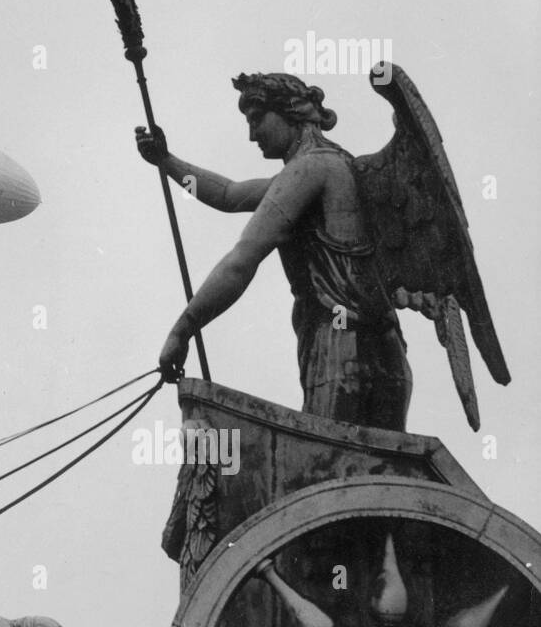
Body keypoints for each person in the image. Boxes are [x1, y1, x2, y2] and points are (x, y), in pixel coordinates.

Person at [136, 72, 411, 430]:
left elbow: (242, 260)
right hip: (385, 353)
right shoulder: (337, 167)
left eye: (256, 119)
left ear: (292, 111)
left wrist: (182, 330)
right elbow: (228, 195)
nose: (252, 134)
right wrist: (166, 161)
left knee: (332, 472)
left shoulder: (310, 168)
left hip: (341, 350)